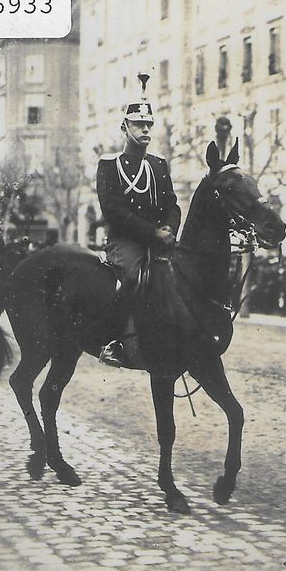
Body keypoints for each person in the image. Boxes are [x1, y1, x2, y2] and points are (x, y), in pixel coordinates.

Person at [96, 75, 181, 366]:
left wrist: (169, 228)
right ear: (125, 127)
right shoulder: (109, 165)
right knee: (132, 279)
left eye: (148, 125)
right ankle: (114, 342)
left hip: (159, 240)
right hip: (125, 242)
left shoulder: (158, 164)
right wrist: (153, 233)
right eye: (137, 124)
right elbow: (114, 212)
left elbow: (172, 204)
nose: (145, 129)